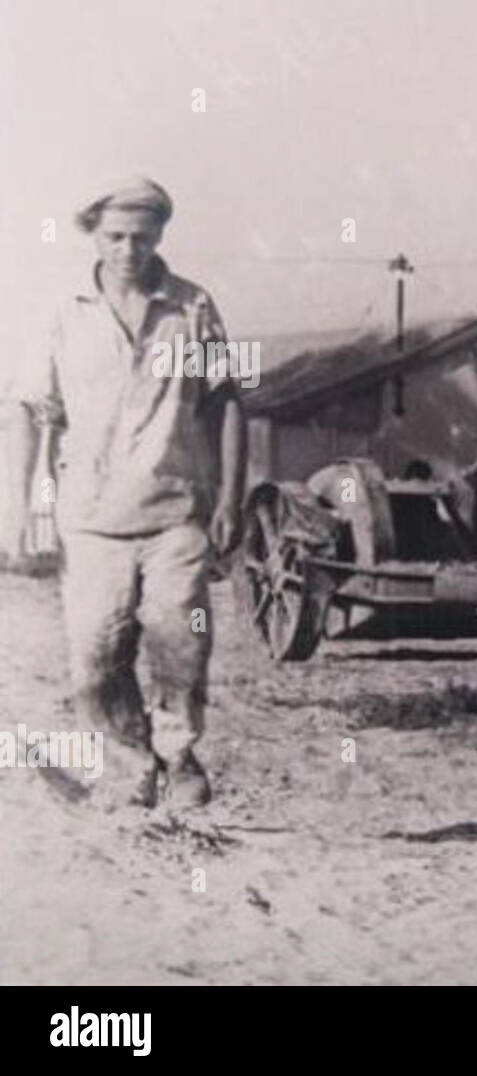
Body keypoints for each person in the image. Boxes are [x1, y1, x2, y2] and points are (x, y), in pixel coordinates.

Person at [9, 177, 246, 808]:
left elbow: (226, 403)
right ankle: (129, 762)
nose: (127, 250)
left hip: (176, 515)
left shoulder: (192, 307)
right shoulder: (64, 310)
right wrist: (23, 503)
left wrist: (229, 498)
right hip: (88, 519)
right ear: (95, 235)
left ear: (161, 236)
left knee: (181, 639)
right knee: (94, 657)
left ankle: (180, 758)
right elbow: (33, 410)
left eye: (141, 237)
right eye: (114, 237)